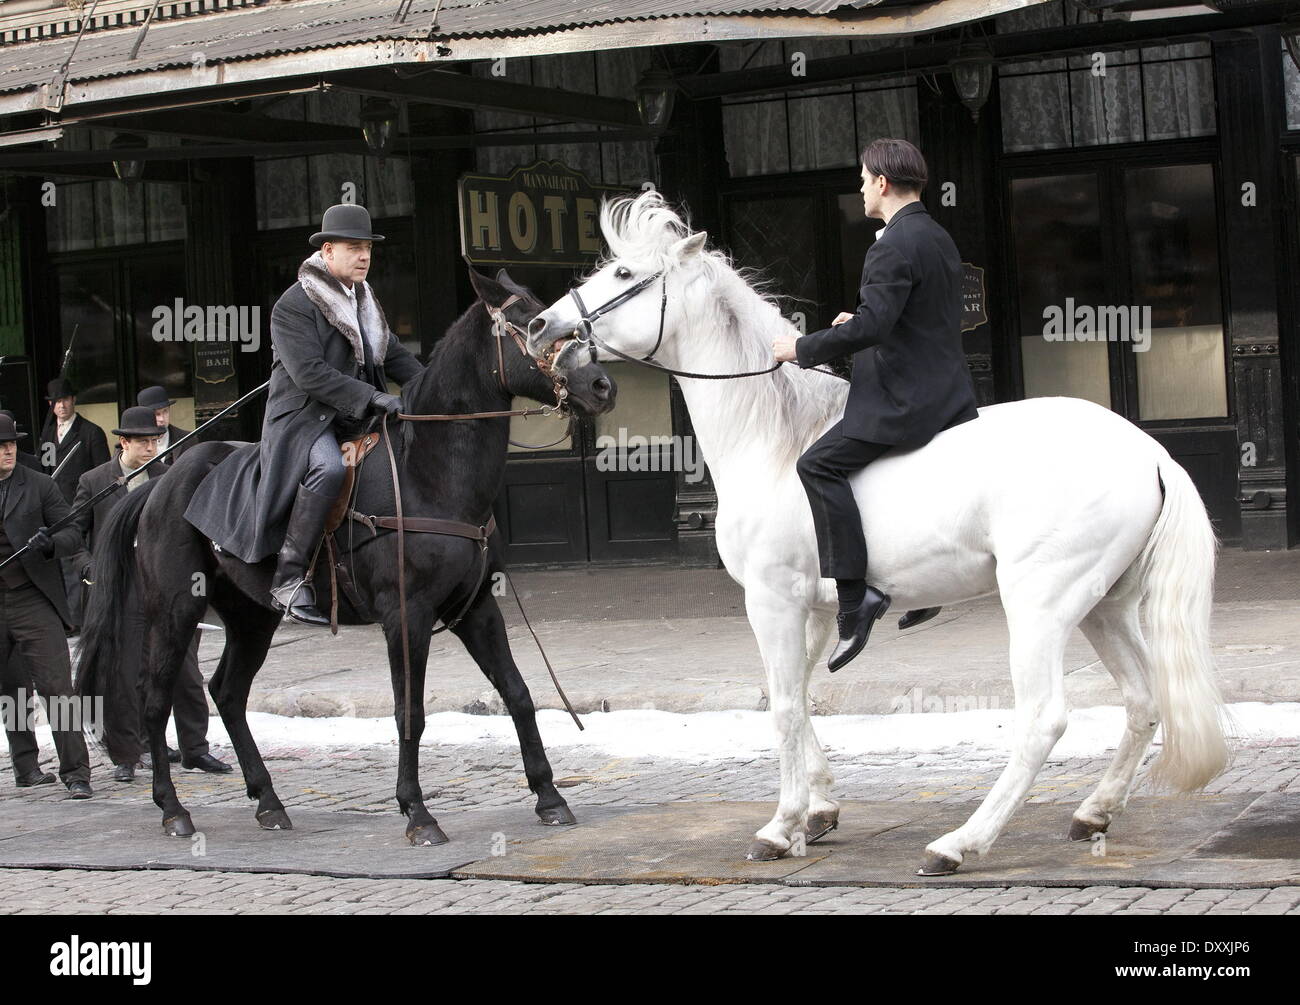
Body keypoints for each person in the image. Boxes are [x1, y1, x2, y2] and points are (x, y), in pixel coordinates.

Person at [772, 138, 979, 673]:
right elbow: (914, 319)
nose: (860, 188)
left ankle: (853, 597)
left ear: (882, 183)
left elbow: (877, 325)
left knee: (816, 464)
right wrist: (858, 324)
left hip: (904, 401)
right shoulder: (935, 235)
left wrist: (802, 347)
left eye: (863, 179)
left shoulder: (889, 246)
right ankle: (928, 584)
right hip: (948, 394)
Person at [184, 203, 423, 626]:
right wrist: (374, 397)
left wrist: (432, 390)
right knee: (330, 469)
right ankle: (290, 577)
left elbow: (395, 356)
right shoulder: (294, 305)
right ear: (327, 252)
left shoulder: (364, 301)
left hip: (355, 419)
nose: (365, 256)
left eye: (368, 248)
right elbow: (311, 374)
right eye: (354, 248)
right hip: (305, 421)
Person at [72, 406, 231, 781]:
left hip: (168, 581)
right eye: (143, 442)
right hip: (121, 583)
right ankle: (126, 755)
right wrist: (88, 566)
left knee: (186, 671)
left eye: (155, 441)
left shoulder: (169, 477)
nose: (151, 447)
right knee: (124, 671)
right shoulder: (95, 480)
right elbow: (75, 532)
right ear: (123, 442)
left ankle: (196, 749)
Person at [0, 413, 93, 797]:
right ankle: (26, 768)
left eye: (10, 444)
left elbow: (72, 531)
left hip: (32, 598)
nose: (7, 451)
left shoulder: (38, 486)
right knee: (11, 689)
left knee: (57, 687)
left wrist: (50, 543)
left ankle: (76, 772)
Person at [37, 378, 110, 630]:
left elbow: (102, 472)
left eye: (65, 399)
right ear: (50, 405)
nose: (61, 406)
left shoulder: (91, 432)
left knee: (80, 563)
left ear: (73, 400)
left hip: (82, 509)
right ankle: (68, 618)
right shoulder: (47, 435)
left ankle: (81, 619)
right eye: (56, 401)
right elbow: (44, 470)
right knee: (59, 564)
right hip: (54, 510)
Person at [135, 385, 190, 467]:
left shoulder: (188, 439)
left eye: (165, 411)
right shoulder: (129, 445)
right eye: (156, 414)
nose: (162, 419)